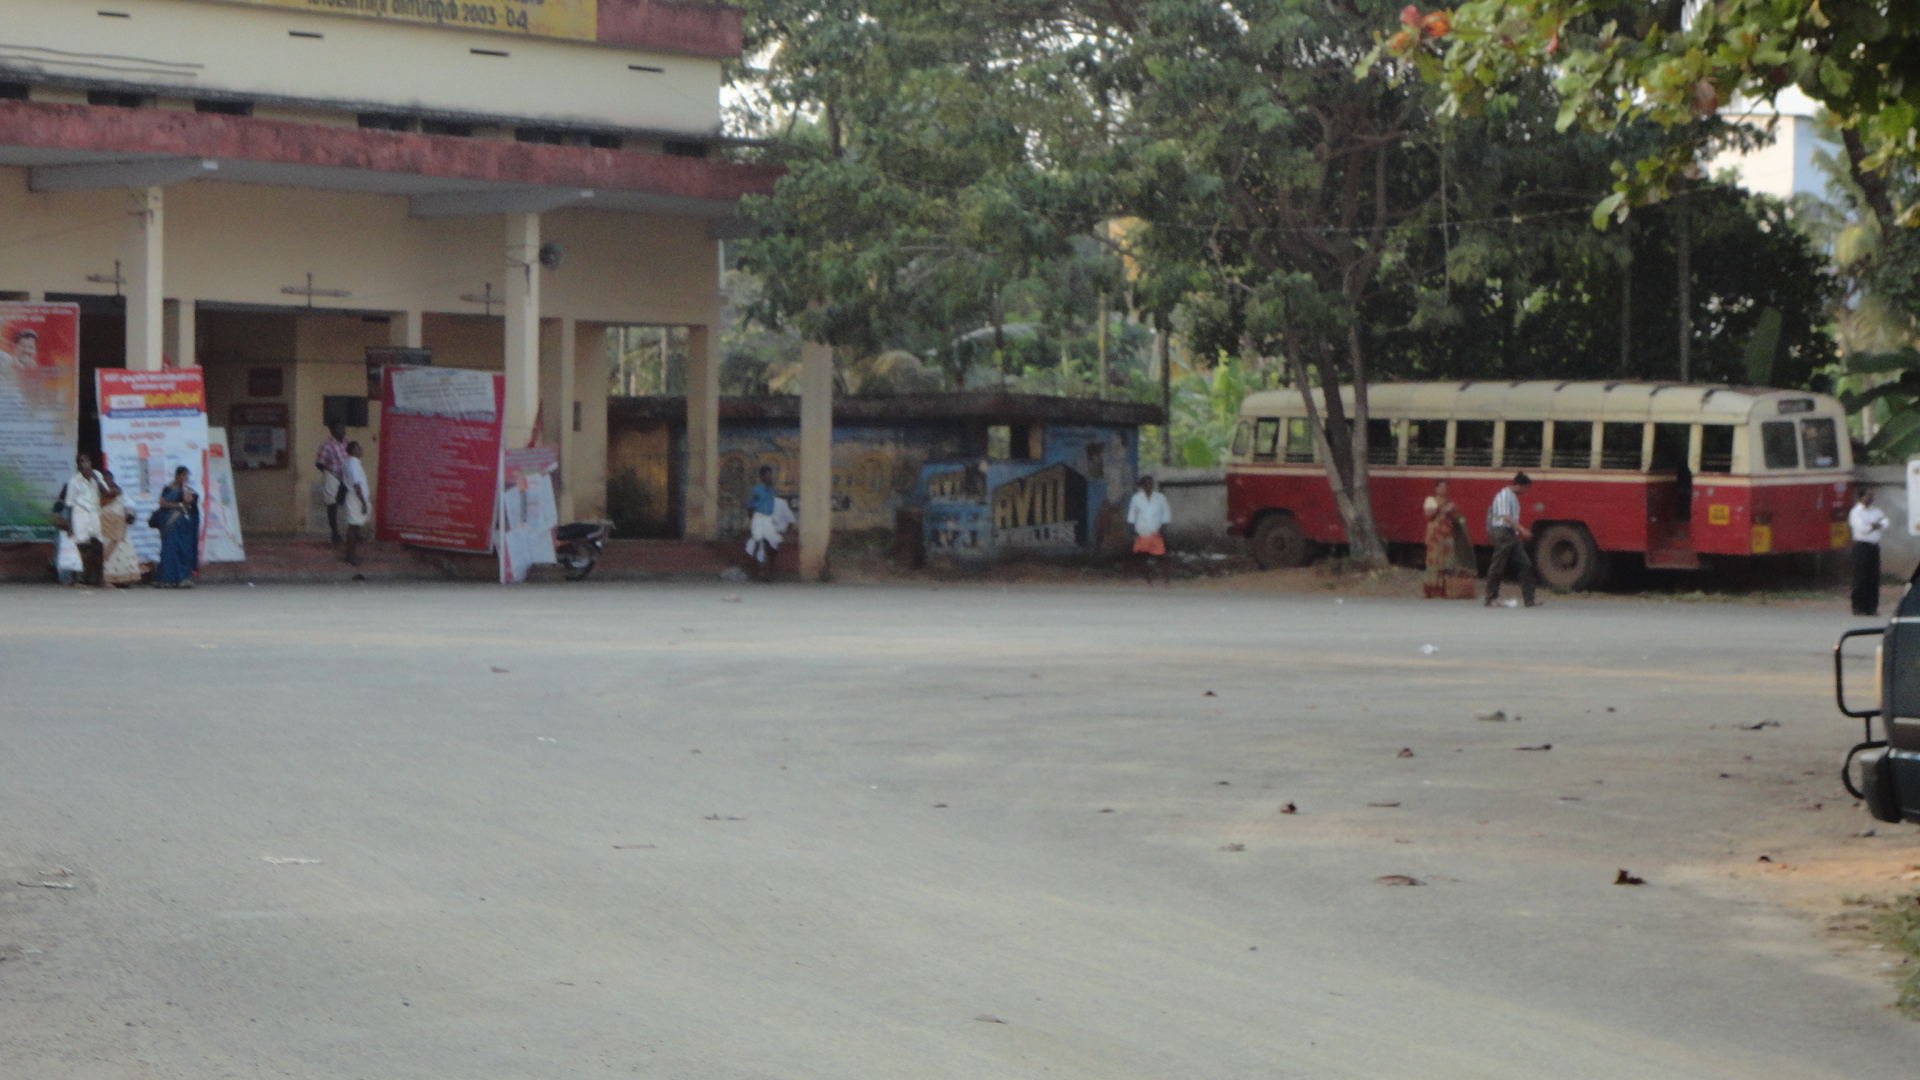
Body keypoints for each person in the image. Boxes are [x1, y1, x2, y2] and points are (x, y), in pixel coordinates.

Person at [1484, 472, 1540, 608]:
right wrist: (1522, 529)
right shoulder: (1504, 495)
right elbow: (1506, 517)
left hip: (1510, 533)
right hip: (1501, 532)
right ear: (1520, 485)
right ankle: (1490, 597)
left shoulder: (1513, 497)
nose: (1526, 491)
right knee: (1498, 565)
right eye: (1526, 488)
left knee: (1525, 563)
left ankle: (1529, 599)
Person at [56, 452, 109, 587]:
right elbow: (70, 504)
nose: (85, 465)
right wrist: (70, 525)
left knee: (98, 545)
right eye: (81, 463)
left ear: (90, 463)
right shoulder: (74, 480)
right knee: (80, 546)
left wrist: (95, 479)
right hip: (80, 513)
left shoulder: (97, 475)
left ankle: (100, 579)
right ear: (78, 466)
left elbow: (105, 493)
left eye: (87, 462)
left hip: (94, 513)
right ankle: (76, 580)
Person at [1422, 479, 1473, 598]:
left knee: (1447, 562)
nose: (1443, 490)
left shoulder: (1448, 502)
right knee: (1434, 563)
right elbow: (1429, 515)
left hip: (1446, 535)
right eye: (1441, 487)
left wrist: (1452, 512)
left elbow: (1453, 518)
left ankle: (1444, 588)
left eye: (1445, 487)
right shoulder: (1431, 500)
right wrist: (1440, 507)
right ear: (1436, 489)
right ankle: (1431, 589)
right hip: (1435, 536)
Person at [155, 466, 200, 588]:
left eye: (187, 476)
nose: (186, 478)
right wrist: (178, 506)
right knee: (169, 551)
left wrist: (184, 488)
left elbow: (188, 500)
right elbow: (162, 503)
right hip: (170, 526)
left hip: (183, 527)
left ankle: (182, 579)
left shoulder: (188, 490)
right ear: (177, 476)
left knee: (183, 551)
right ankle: (167, 579)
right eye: (184, 475)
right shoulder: (168, 489)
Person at [744, 465, 793, 578]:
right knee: (757, 543)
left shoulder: (772, 490)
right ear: (761, 477)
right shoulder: (757, 490)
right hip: (759, 518)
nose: (769, 478)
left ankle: (769, 573)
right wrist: (752, 519)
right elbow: (750, 505)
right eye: (766, 476)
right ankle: (756, 571)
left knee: (770, 546)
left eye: (770, 475)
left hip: (768, 520)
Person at [96, 467, 142, 587]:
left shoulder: (119, 492)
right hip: (104, 529)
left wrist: (129, 516)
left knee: (123, 552)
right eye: (105, 479)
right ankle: (108, 579)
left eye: (110, 479)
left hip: (120, 529)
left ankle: (125, 579)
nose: (108, 481)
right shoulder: (98, 494)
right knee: (107, 554)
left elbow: (129, 506)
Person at [1849, 487, 1889, 617]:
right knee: (1860, 578)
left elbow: (1885, 522)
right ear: (1861, 497)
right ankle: (1858, 608)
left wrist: (1873, 525)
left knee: (1873, 578)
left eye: (1872, 495)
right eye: (1868, 495)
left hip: (1873, 547)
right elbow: (1862, 528)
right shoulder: (1856, 512)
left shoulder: (1876, 511)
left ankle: (1871, 608)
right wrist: (1875, 525)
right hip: (1861, 547)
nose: (1871, 498)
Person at [1127, 474, 1173, 583]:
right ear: (1142, 485)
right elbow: (1132, 516)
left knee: (1162, 556)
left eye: (1151, 483)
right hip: (1142, 532)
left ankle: (1166, 579)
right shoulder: (1136, 498)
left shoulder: (1160, 498)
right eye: (1147, 483)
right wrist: (1133, 531)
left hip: (1155, 532)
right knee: (1142, 558)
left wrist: (1163, 529)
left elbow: (1166, 514)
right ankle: (1149, 579)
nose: (1149, 486)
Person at [315, 423, 349, 542]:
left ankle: (353, 533)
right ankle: (335, 533)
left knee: (350, 504)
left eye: (343, 428)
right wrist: (331, 471)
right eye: (339, 428)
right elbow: (319, 463)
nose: (342, 431)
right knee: (332, 504)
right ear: (332, 430)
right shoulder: (326, 445)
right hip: (332, 476)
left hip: (346, 477)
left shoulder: (346, 443)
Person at [340, 441, 371, 566]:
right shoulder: (353, 464)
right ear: (352, 451)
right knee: (353, 527)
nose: (361, 450)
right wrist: (363, 502)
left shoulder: (349, 463)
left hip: (354, 497)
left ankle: (351, 553)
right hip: (356, 498)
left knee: (355, 527)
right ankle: (350, 555)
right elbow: (357, 485)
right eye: (358, 448)